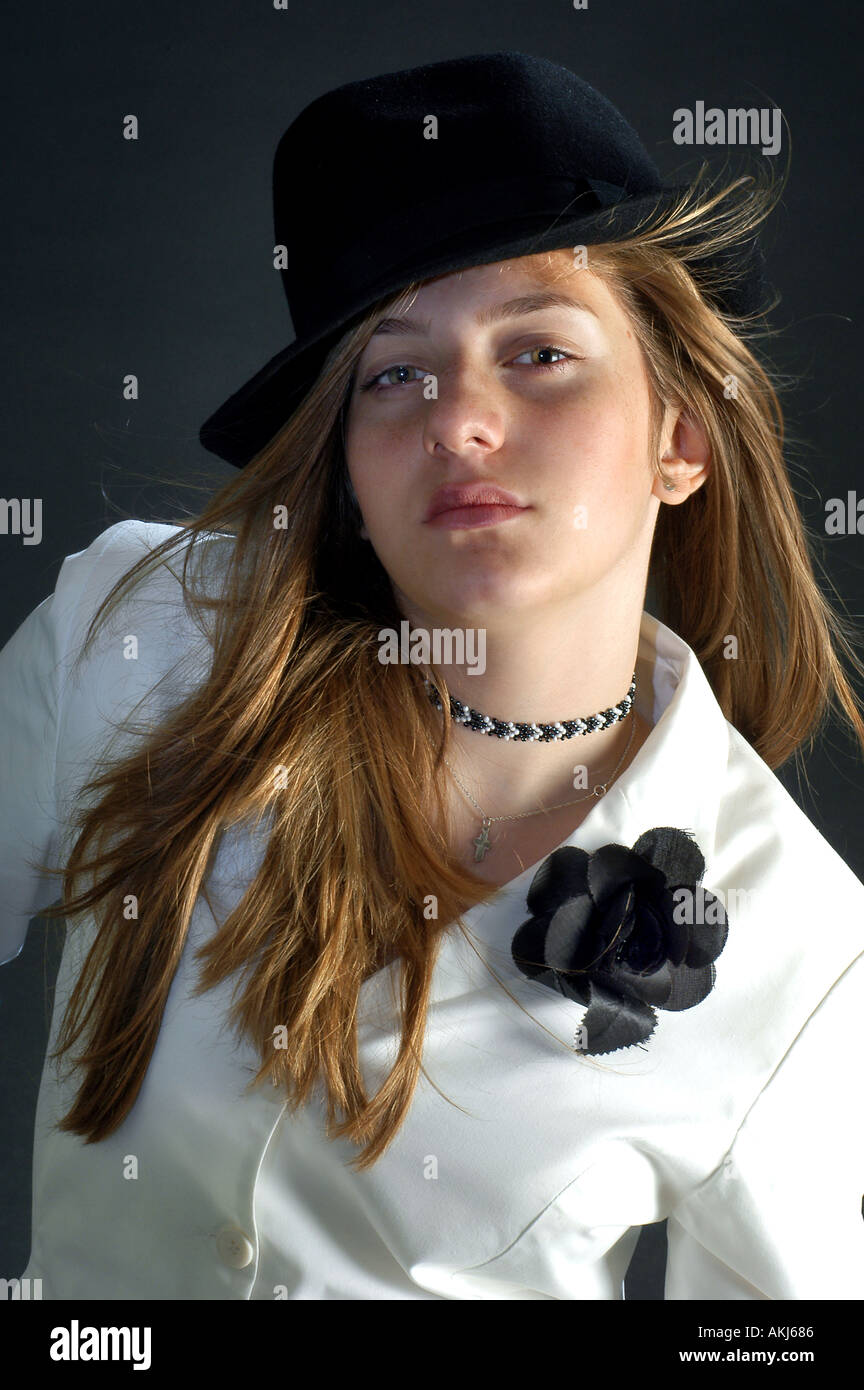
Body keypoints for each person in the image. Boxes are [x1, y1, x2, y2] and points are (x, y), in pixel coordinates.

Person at [1, 51, 863, 1301]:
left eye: (539, 353)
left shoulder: (809, 950)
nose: (457, 417)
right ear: (346, 459)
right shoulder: (139, 634)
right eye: (394, 372)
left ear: (681, 437)